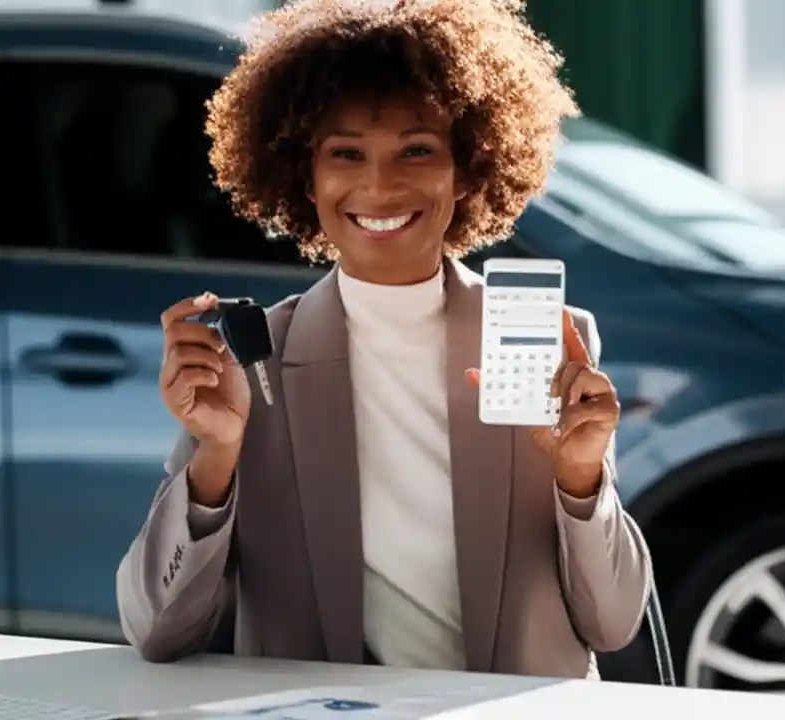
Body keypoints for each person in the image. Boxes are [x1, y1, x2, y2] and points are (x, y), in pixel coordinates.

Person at [116, 0, 653, 680]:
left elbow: (613, 622)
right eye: (346, 153)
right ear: (305, 175)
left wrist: (581, 481)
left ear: (469, 166)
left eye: (417, 150)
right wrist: (216, 456)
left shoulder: (552, 342)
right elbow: (157, 630)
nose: (380, 184)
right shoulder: (253, 362)